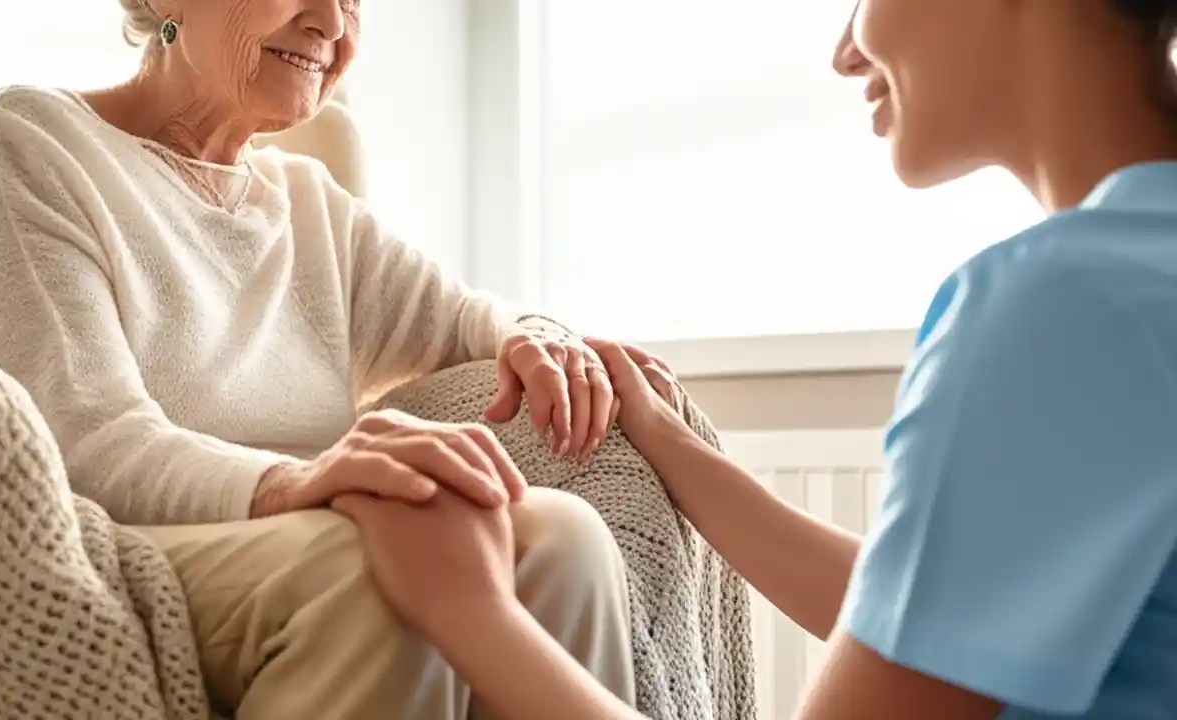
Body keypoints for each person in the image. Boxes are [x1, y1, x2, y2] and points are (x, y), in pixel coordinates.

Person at [334, 0, 1177, 717]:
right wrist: (670, 444)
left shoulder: (1066, 304)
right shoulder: (1138, 274)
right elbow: (934, 610)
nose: (846, 51)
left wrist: (468, 608)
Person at [0, 0, 687, 716]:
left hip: (305, 529)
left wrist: (536, 333)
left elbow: (459, 316)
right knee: (378, 572)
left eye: (352, 0)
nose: (331, 23)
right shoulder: (31, 138)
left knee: (564, 537)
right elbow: (83, 436)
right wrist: (292, 483)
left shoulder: (305, 198)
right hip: (117, 539)